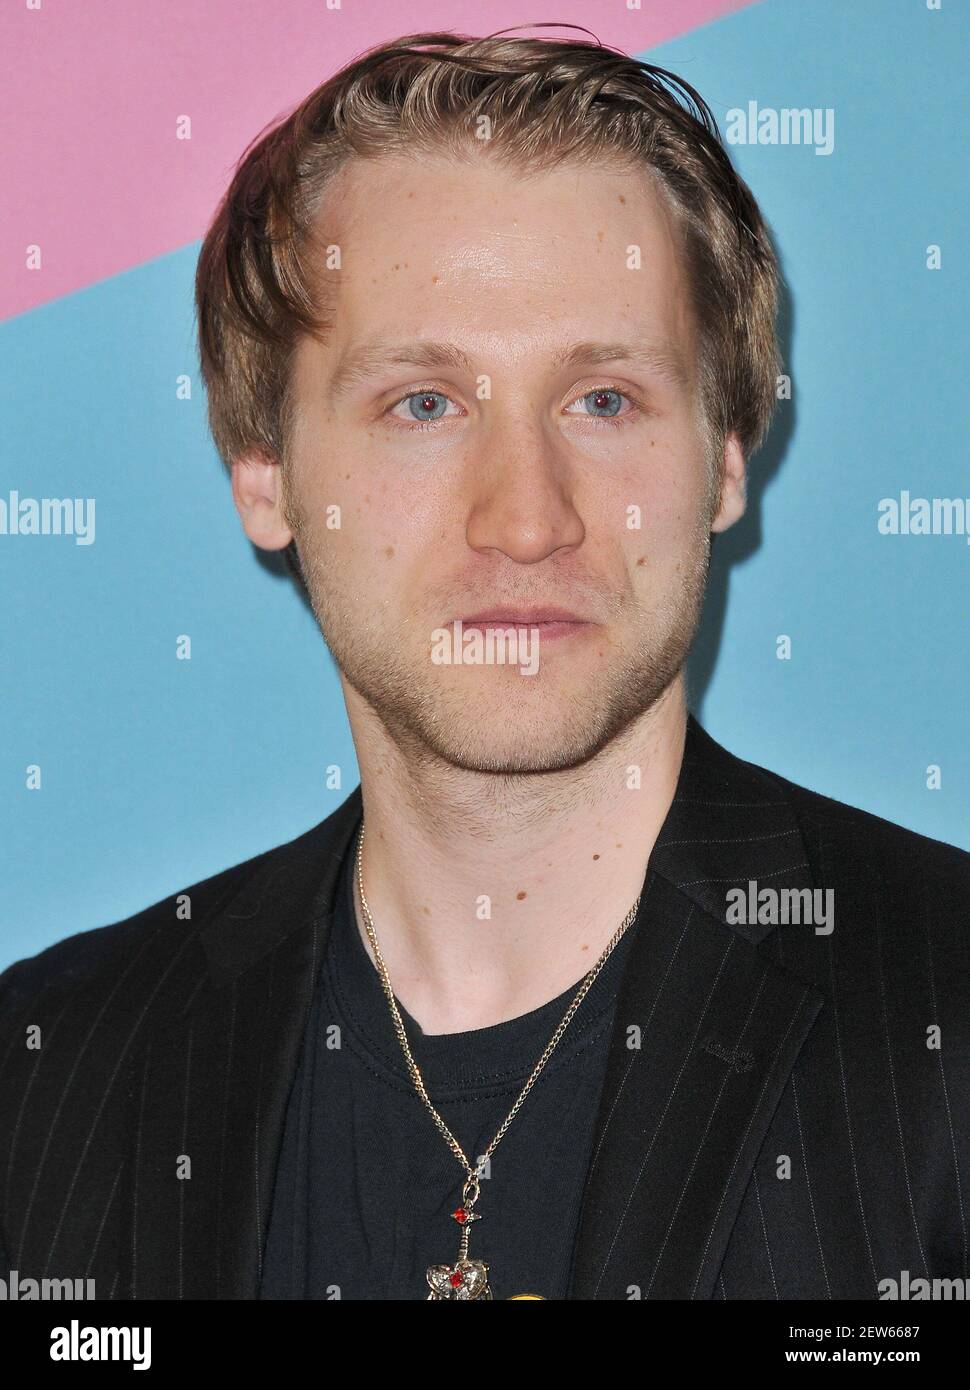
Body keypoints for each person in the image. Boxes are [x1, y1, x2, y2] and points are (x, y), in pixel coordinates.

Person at [1, 30, 967, 1303]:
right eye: (424, 404)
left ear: (725, 456)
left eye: (604, 400)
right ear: (265, 472)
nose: (526, 519)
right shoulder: (48, 1074)